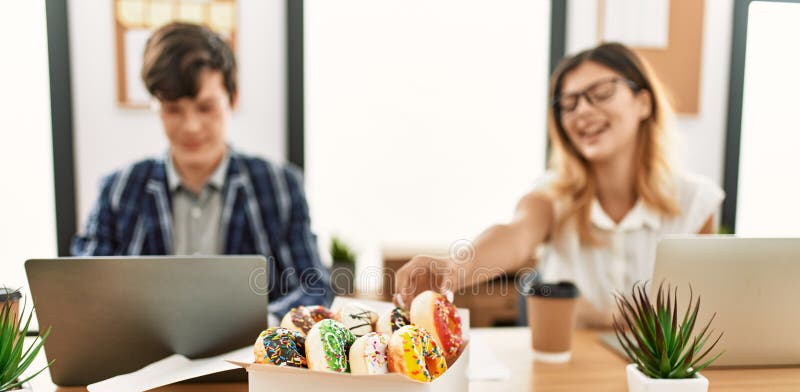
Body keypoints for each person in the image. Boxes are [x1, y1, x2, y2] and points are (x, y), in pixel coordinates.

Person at [394, 42, 724, 327]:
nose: (582, 111)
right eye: (569, 103)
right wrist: (453, 268)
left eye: (601, 93)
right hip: (567, 377)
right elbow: (516, 236)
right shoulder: (551, 196)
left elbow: (709, 313)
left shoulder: (696, 202)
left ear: (644, 103)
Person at [72, 22, 331, 318]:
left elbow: (314, 285)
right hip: (146, 362)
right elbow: (82, 289)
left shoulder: (280, 186)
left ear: (232, 100)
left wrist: (263, 324)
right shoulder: (118, 190)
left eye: (205, 107)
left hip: (248, 358)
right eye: (173, 110)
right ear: (156, 107)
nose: (191, 126)